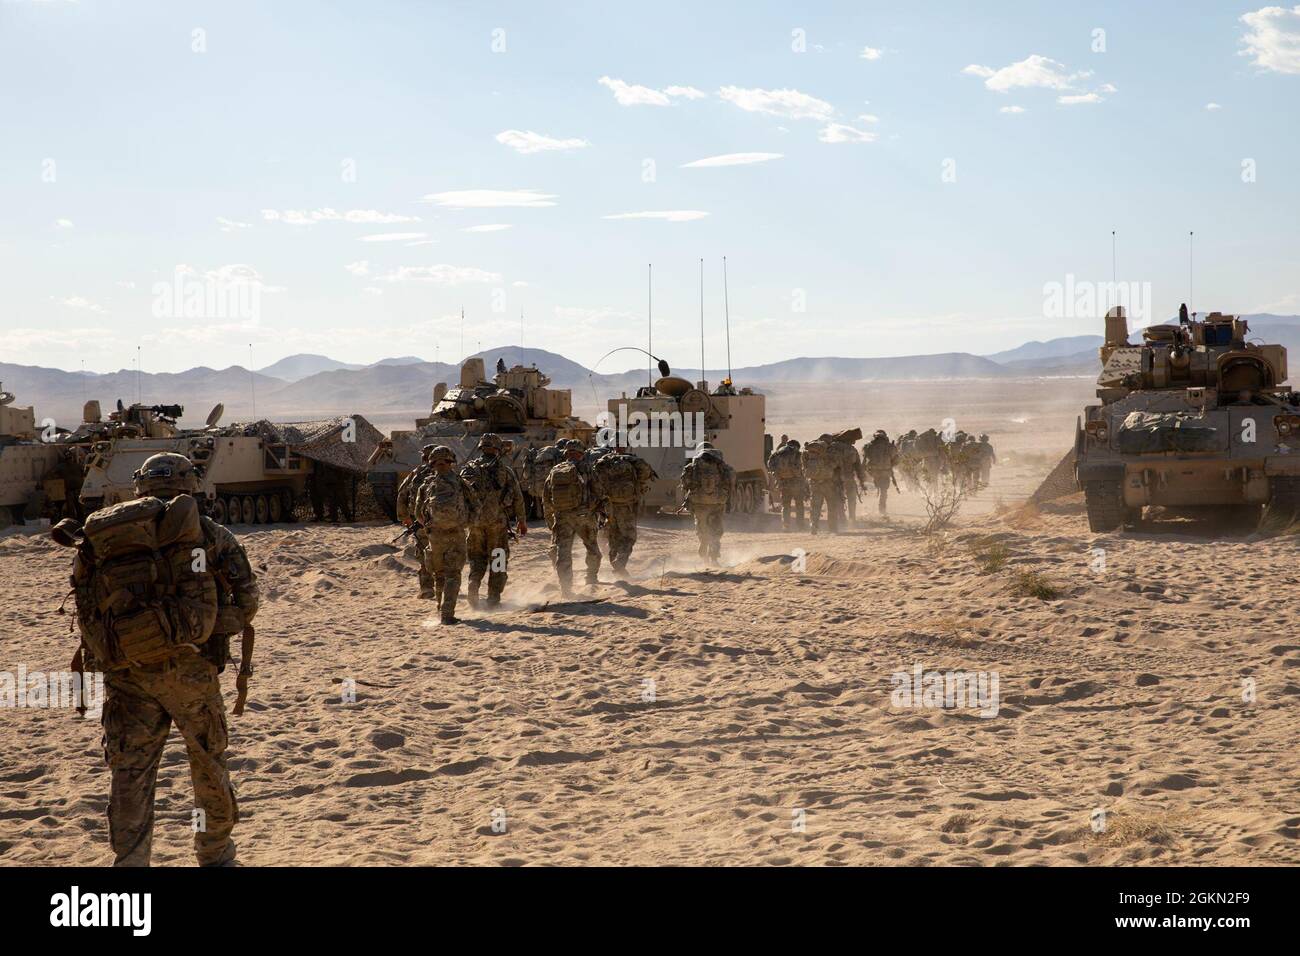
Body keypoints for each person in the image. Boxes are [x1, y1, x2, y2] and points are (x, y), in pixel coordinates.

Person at [69, 452, 257, 867]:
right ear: (188, 484)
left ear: (140, 486)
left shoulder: (102, 536)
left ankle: (132, 860)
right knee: (207, 763)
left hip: (125, 672)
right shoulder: (208, 533)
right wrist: (205, 625)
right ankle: (214, 855)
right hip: (191, 671)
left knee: (130, 770)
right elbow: (247, 600)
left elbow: (86, 606)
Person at [459, 433, 527, 608]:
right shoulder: (505, 470)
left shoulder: (467, 469)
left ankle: (473, 584)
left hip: (474, 525)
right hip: (497, 524)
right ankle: (493, 599)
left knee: (476, 559)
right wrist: (521, 521)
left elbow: (459, 496)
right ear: (497, 449)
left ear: (481, 448)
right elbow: (518, 498)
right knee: (498, 559)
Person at [415, 445, 480, 624]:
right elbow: (475, 505)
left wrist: (430, 525)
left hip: (434, 535)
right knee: (453, 574)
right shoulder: (460, 482)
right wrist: (466, 524)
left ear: (432, 463)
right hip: (455, 533)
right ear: (451, 461)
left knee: (439, 574)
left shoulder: (427, 484)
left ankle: (439, 608)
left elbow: (418, 512)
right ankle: (447, 614)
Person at [544, 439, 602, 594]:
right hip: (585, 516)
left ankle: (566, 588)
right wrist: (594, 509)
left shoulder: (555, 470)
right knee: (592, 547)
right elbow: (599, 492)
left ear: (566, 453)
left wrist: (552, 519)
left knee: (563, 552)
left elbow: (546, 497)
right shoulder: (587, 468)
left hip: (562, 517)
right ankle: (591, 577)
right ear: (581, 453)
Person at [591, 444, 655, 576]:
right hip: (626, 505)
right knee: (629, 536)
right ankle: (620, 562)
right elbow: (646, 473)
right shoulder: (632, 460)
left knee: (613, 536)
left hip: (608, 506)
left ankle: (615, 564)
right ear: (625, 447)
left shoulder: (603, 461)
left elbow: (594, 481)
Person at [679, 442, 735, 562]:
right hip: (718, 501)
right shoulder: (721, 464)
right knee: (716, 528)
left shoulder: (693, 465)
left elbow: (685, 482)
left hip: (699, 502)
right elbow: (731, 479)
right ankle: (714, 557)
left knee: (701, 526)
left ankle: (703, 544)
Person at [397, 444, 438, 599]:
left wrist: (404, 517)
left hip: (420, 520)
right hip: (443, 522)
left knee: (423, 552)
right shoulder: (445, 473)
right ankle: (445, 584)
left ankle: (427, 587)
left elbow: (402, 494)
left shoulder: (416, 473)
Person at [801, 434, 840, 534]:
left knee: (815, 507)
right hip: (828, 483)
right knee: (831, 506)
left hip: (814, 483)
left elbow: (804, 466)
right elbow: (835, 464)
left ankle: (813, 527)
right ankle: (832, 528)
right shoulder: (830, 451)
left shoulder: (808, 452)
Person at [766, 438, 807, 531]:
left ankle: (786, 525)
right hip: (796, 483)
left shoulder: (778, 453)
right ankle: (800, 526)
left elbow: (770, 465)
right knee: (799, 504)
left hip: (783, 483)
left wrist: (778, 475)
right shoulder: (798, 454)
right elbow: (802, 469)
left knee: (785, 505)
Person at [830, 432, 866, 524]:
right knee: (852, 499)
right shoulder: (852, 449)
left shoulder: (831, 448)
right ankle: (852, 519)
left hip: (836, 479)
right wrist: (861, 480)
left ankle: (842, 519)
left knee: (838, 499)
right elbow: (858, 467)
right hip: (849, 477)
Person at [863, 430, 898, 515]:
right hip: (885, 471)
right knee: (884, 490)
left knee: (877, 486)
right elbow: (896, 459)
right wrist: (890, 465)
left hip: (874, 472)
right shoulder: (890, 446)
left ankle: (870, 506)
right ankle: (882, 508)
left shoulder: (869, 446)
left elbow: (865, 458)